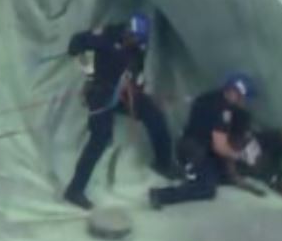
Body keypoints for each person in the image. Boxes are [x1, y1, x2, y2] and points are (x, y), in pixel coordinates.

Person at [62, 12, 175, 209]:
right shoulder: (107, 35)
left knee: (155, 115)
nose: (132, 42)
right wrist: (86, 70)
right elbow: (76, 42)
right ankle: (75, 189)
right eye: (131, 37)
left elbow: (135, 71)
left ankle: (163, 162)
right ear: (126, 30)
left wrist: (133, 90)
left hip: (123, 91)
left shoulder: (139, 46)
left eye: (136, 40)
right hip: (101, 91)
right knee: (100, 138)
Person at [148, 73, 257, 209]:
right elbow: (220, 146)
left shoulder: (211, 97)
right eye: (243, 98)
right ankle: (161, 195)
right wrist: (241, 156)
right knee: (206, 188)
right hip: (194, 149)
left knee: (218, 173)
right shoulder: (223, 109)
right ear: (236, 92)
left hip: (196, 146)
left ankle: (195, 172)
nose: (244, 102)